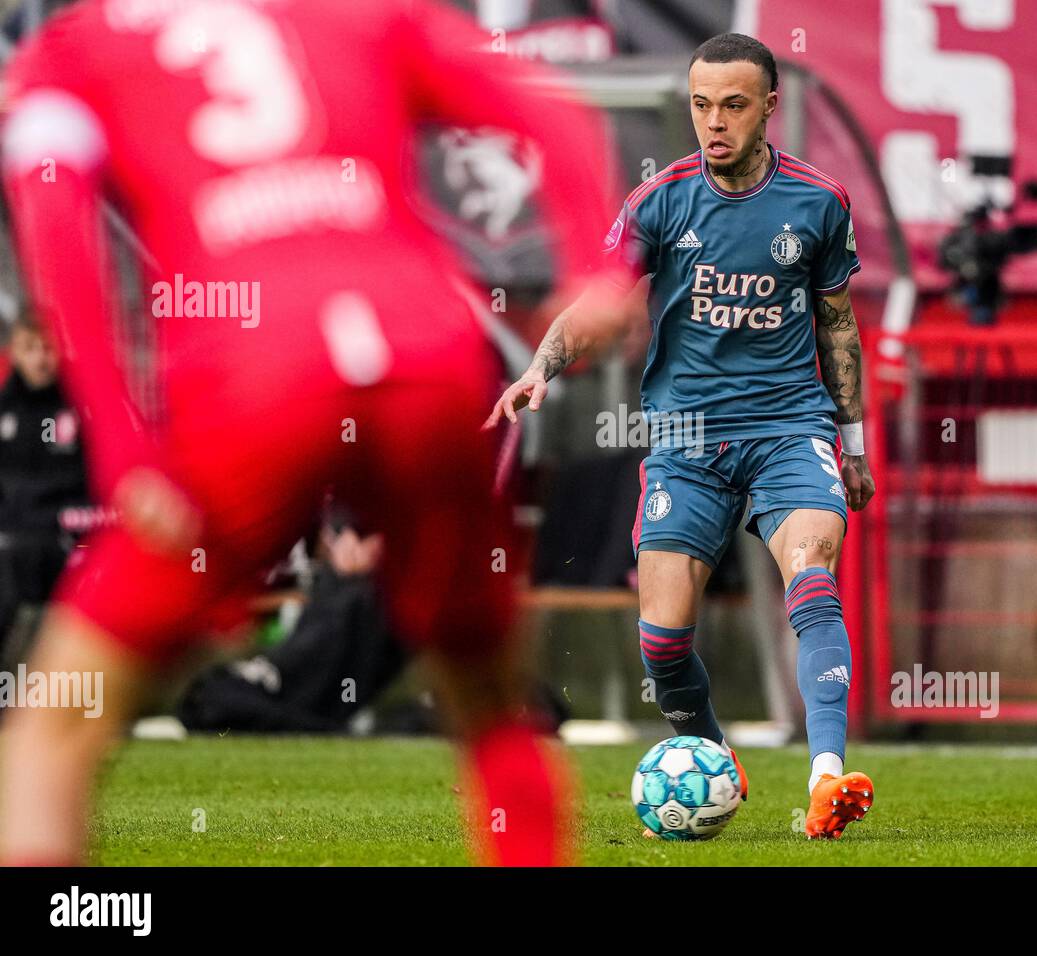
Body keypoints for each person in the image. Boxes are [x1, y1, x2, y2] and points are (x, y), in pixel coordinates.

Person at [0, 0, 627, 866]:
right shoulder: (362, 12)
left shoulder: (76, 46)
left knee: (56, 724)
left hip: (253, 378)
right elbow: (541, 103)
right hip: (430, 358)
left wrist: (121, 443)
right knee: (490, 706)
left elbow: (53, 223)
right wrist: (600, 267)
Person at [488, 33, 877, 840]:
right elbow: (600, 304)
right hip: (686, 440)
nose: (715, 122)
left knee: (812, 574)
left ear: (769, 106)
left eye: (734, 104)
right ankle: (711, 766)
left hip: (787, 427)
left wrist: (856, 445)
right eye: (702, 105)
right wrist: (540, 369)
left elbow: (838, 328)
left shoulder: (819, 202)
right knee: (664, 642)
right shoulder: (659, 201)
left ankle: (828, 778)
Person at [0, 309, 88, 669]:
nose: (40, 358)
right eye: (30, 348)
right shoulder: (4, 410)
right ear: (14, 352)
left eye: (47, 348)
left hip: (69, 537)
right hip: (12, 540)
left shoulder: (85, 410)